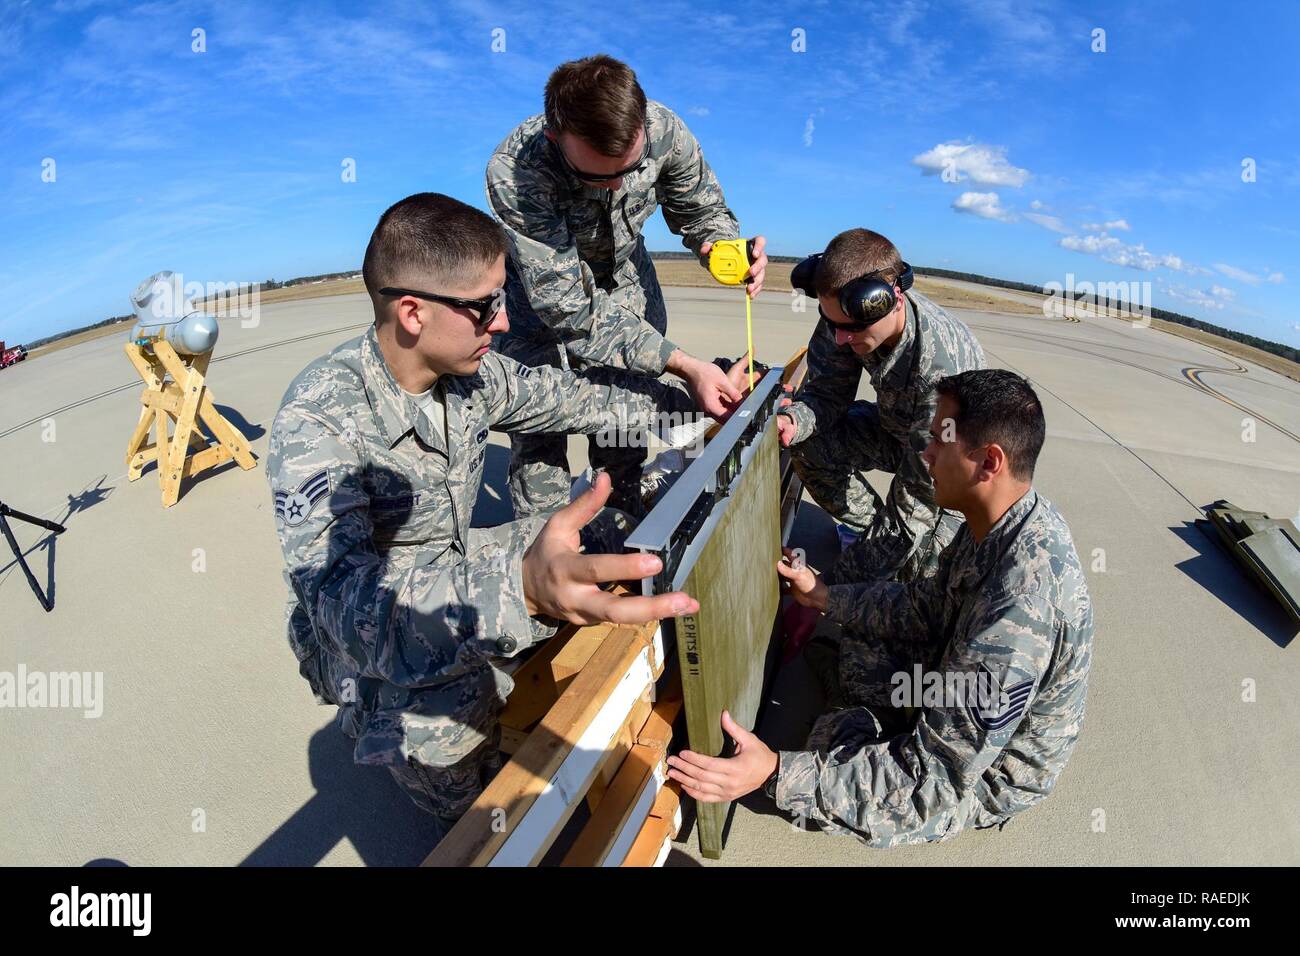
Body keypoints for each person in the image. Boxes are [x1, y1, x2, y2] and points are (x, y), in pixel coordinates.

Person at [268, 192, 711, 841]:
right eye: (484, 306)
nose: (502, 323)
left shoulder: (469, 373)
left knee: (603, 536)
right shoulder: (319, 421)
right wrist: (520, 588)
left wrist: (691, 408)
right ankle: (462, 797)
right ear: (413, 313)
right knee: (466, 781)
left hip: (454, 572)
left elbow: (571, 401)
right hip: (379, 646)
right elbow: (345, 606)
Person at [667, 369, 1094, 847]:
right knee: (854, 636)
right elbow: (926, 606)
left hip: (983, 776)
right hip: (952, 675)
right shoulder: (1002, 520)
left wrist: (774, 771)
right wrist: (825, 595)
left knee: (829, 750)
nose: (925, 454)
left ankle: (852, 725)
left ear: (988, 462)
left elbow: (932, 783)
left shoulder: (1022, 606)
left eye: (939, 441)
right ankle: (865, 707)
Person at [486, 53, 768, 518]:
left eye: (630, 169)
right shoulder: (517, 173)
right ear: (556, 139)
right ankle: (543, 555)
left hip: (628, 288)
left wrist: (721, 247)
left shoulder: (666, 132)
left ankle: (621, 524)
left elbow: (699, 211)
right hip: (539, 308)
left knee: (624, 430)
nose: (617, 187)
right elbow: (568, 307)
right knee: (540, 439)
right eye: (598, 176)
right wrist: (684, 365)